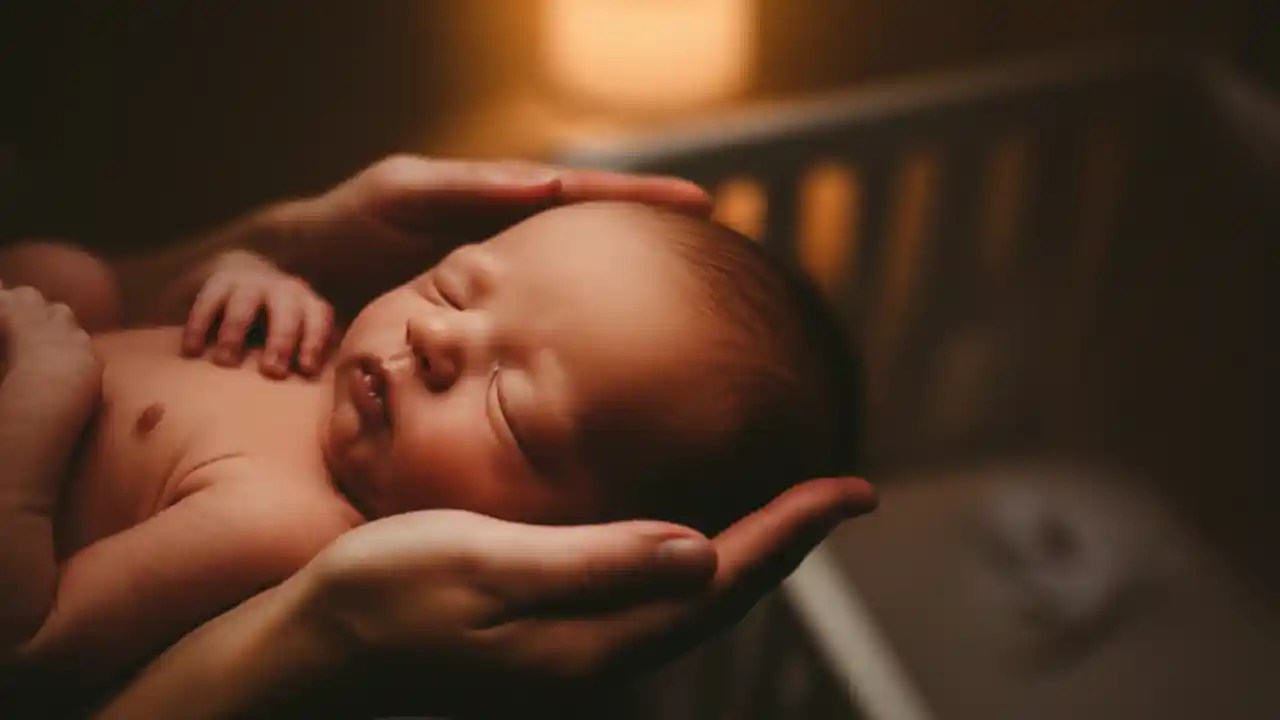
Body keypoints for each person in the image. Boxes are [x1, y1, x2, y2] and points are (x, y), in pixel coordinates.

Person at [1, 157, 876, 718]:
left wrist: (39, 403)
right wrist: (238, 279)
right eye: (455, 289)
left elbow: (31, 646)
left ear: (555, 549)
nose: (437, 338)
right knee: (64, 273)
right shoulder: (328, 347)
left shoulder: (286, 527)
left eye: (509, 407)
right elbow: (167, 352)